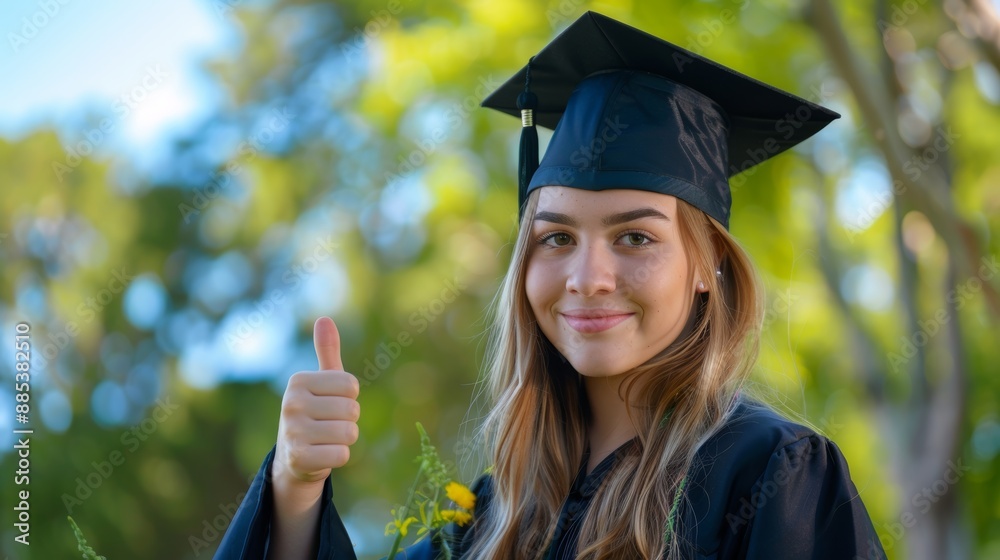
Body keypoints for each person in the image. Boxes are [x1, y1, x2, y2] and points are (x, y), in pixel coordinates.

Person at [217, 11, 888, 560]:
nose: (588, 279)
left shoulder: (774, 479)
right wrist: (297, 488)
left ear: (707, 265)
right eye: (557, 238)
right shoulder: (487, 519)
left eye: (636, 237)